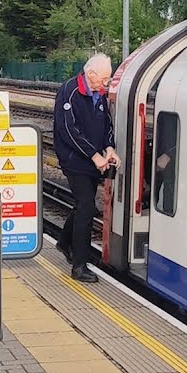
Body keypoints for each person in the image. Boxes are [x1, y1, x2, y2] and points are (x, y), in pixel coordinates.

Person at [52, 53, 119, 282]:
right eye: (104, 78)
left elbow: (106, 124)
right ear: (91, 74)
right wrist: (94, 156)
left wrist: (109, 148)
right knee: (87, 207)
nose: (106, 83)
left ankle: (63, 243)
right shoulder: (69, 92)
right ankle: (79, 266)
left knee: (83, 205)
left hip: (93, 160)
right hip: (74, 160)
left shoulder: (99, 95)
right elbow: (68, 130)